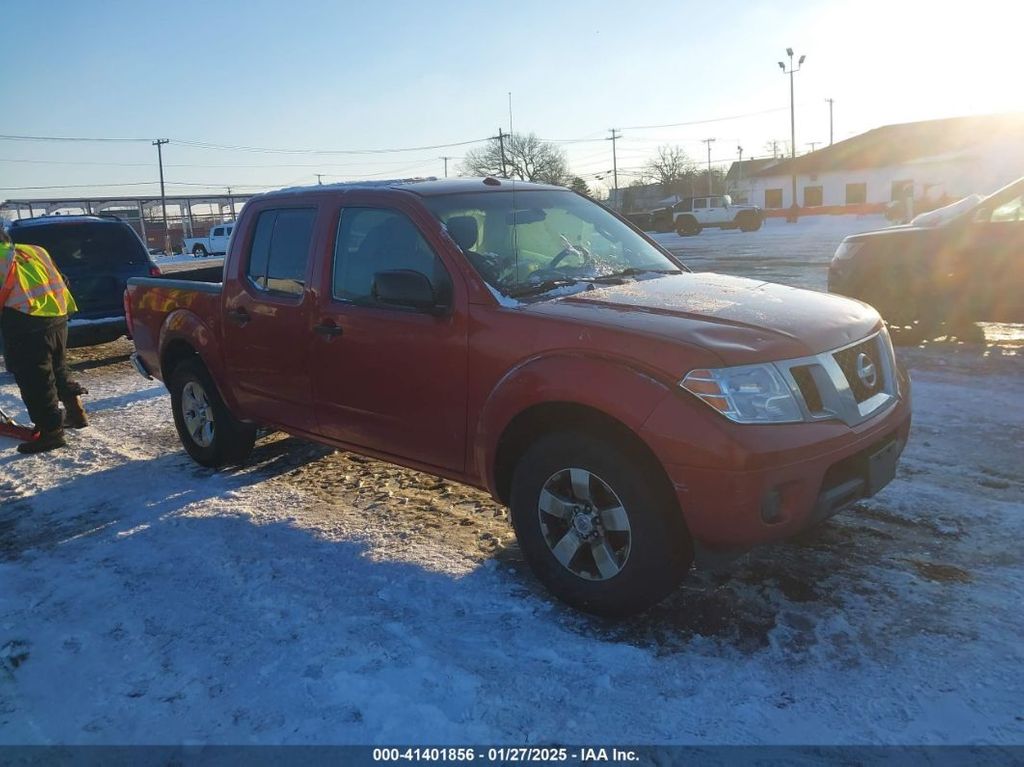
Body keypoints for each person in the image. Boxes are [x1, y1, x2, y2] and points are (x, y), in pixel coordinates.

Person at [0, 222, 88, 453]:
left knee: (35, 379)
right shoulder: (33, 249)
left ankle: (51, 433)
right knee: (57, 367)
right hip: (58, 315)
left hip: (25, 322)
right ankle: (75, 412)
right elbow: (63, 280)